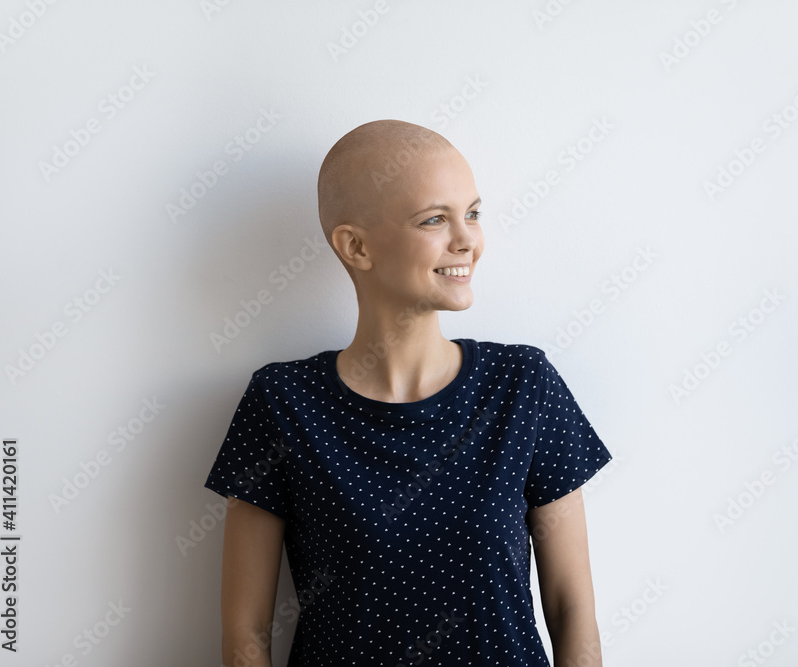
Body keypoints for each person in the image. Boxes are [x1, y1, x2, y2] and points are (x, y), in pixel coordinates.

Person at [204, 119, 612, 666]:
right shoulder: (282, 403)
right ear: (356, 247)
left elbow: (572, 611)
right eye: (435, 220)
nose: (467, 239)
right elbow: (246, 636)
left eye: (472, 213)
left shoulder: (523, 385)